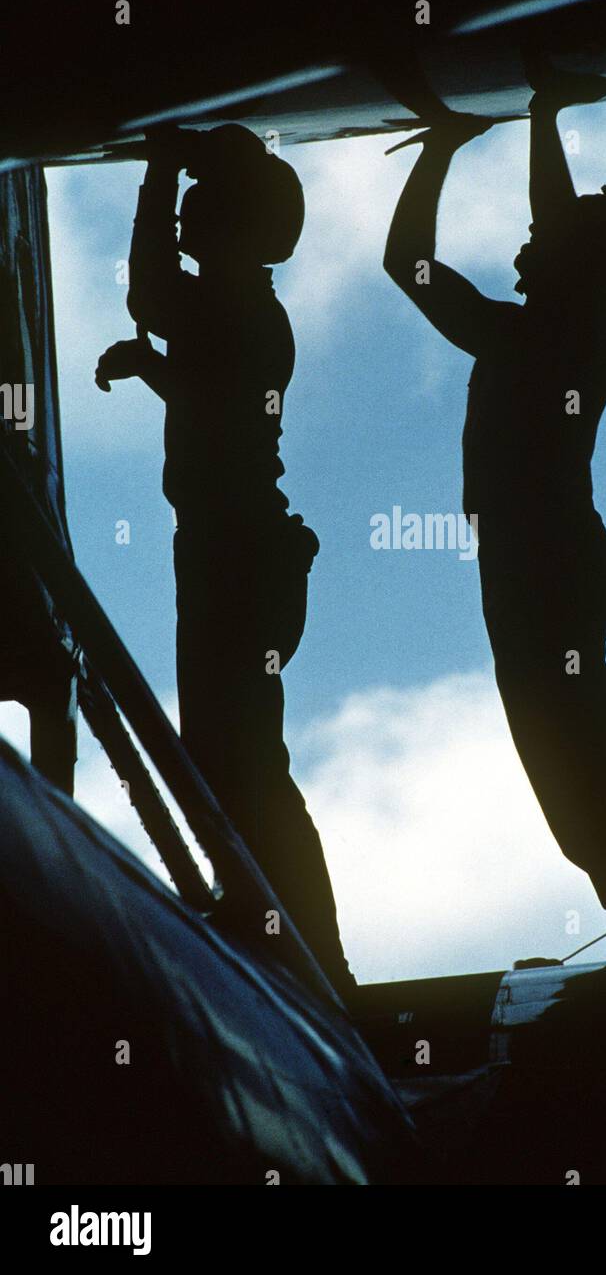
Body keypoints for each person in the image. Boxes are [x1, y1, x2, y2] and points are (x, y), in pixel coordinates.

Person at [383, 68, 606, 975]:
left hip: (542, 557)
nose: (528, 236)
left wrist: (463, 146)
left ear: (575, 266)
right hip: (544, 553)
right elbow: (552, 222)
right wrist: (539, 116)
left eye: (544, 238)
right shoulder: (564, 324)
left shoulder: (545, 332)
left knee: (567, 730)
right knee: (569, 727)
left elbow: (405, 265)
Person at [96, 124, 355, 999]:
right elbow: (215, 400)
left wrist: (160, 170)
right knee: (234, 756)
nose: (180, 227)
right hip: (236, 551)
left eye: (196, 213)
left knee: (238, 758)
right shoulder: (244, 311)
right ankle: (297, 953)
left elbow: (152, 294)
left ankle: (308, 959)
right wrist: (153, 369)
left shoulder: (232, 308)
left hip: (235, 555)